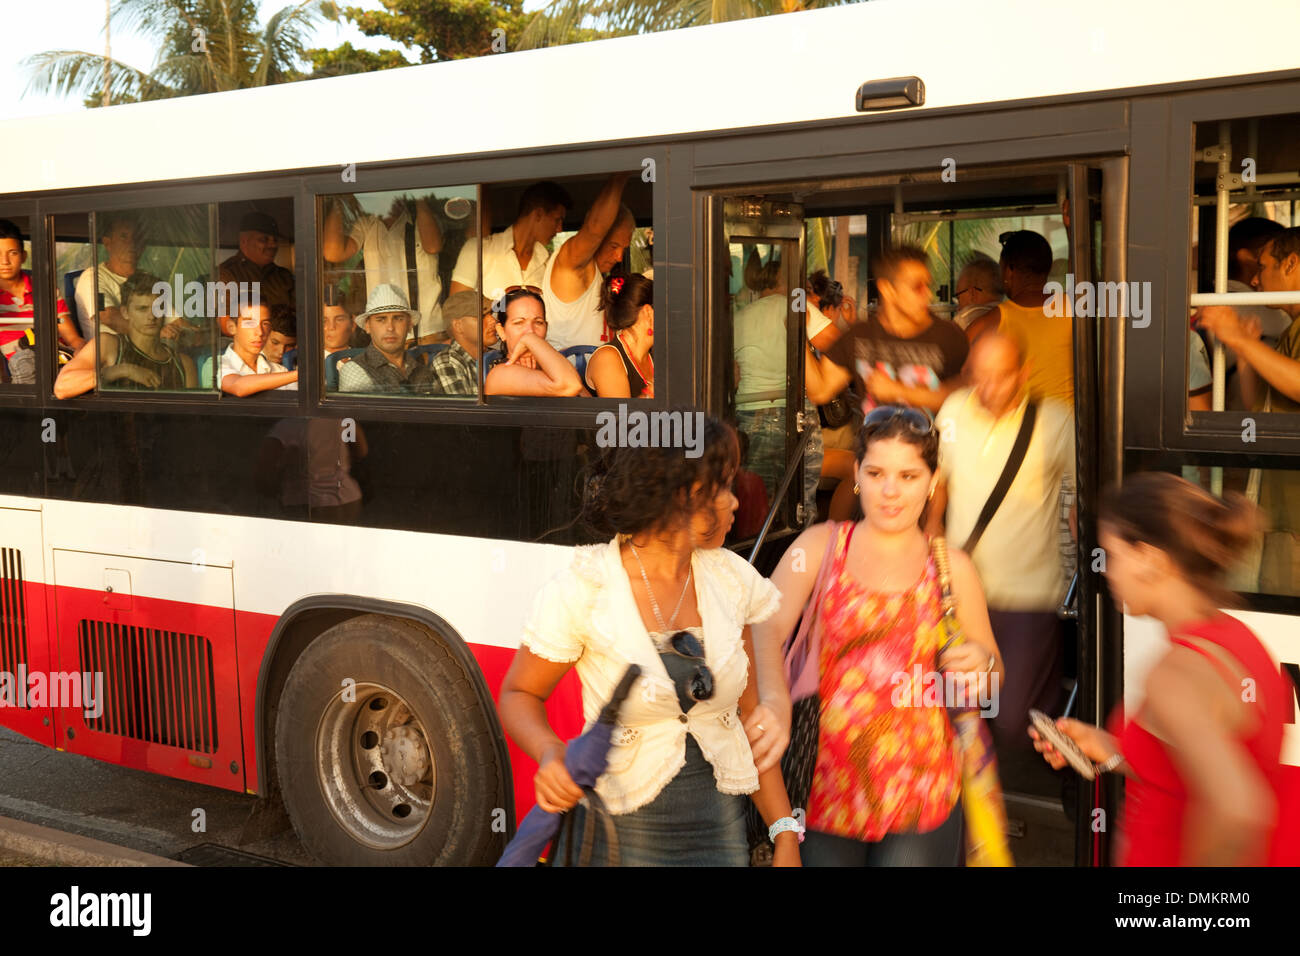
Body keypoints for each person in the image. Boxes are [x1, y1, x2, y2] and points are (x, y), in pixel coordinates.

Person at [497, 413, 801, 866]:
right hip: (619, 840)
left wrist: (784, 835)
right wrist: (549, 751)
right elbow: (519, 693)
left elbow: (751, 717)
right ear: (684, 495)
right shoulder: (587, 586)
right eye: (724, 487)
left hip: (719, 834)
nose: (736, 502)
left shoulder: (732, 581)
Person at [751, 405, 1002, 866]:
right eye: (876, 472)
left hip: (922, 792)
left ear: (933, 481)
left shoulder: (953, 568)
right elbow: (763, 627)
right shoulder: (820, 546)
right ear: (856, 474)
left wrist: (980, 664)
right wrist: (774, 696)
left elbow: (992, 676)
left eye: (909, 476)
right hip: (827, 785)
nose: (890, 491)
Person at [1032, 473, 1298, 866]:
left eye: (1113, 555)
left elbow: (1241, 808)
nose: (1106, 570)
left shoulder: (1174, 675)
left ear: (1150, 560)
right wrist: (1108, 748)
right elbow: (1193, 769)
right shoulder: (1239, 638)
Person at [926, 333, 1074, 782]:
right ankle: (967, 807)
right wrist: (931, 540)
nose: (987, 388)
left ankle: (1032, 787)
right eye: (980, 376)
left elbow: (1077, 503)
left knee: (1012, 718)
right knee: (956, 710)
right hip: (961, 591)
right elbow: (939, 485)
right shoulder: (952, 411)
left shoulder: (1057, 421)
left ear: (1024, 373)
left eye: (1001, 376)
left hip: (1029, 596)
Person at [1198, 226, 1300, 595]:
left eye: (1264, 266)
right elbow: (1262, 406)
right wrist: (1246, 353)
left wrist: (1239, 338)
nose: (1256, 279)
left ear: (1291, 264)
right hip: (1281, 504)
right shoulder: (1291, 330)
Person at [807, 244, 969, 415]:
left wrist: (899, 391)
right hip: (873, 440)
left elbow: (968, 397)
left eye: (927, 285)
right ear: (887, 289)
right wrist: (799, 332)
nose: (928, 294)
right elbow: (820, 392)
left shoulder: (950, 336)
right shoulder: (859, 336)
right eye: (917, 287)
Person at [732, 252, 824, 521]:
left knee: (756, 504)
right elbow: (840, 346)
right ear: (785, 279)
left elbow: (733, 374)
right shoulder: (796, 308)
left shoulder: (739, 317)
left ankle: (759, 561)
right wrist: (825, 383)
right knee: (801, 503)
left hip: (750, 413)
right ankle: (800, 559)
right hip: (795, 413)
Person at [322, 195, 445, 344]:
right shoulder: (366, 225)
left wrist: (419, 198)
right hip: (385, 338)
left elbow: (433, 246)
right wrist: (339, 201)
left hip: (428, 333)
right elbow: (333, 253)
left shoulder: (422, 220)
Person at [53, 271, 197, 398]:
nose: (151, 316)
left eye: (157, 308)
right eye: (142, 308)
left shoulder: (183, 364)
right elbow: (62, 387)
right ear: (125, 312)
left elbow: (193, 419)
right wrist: (121, 370)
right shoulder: (108, 344)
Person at [541, 172, 633, 350]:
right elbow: (595, 228)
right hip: (571, 374)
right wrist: (621, 175)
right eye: (613, 246)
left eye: (624, 248)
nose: (619, 257)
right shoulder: (571, 262)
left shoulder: (600, 277)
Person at [983, 230, 1074, 408]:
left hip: (1021, 427)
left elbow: (960, 365)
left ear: (1009, 270)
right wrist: (1070, 229)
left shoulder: (993, 320)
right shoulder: (1072, 306)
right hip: (1069, 426)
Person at [448, 181, 572, 298]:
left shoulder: (550, 263)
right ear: (538, 214)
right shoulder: (477, 250)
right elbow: (455, 308)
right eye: (557, 220)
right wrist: (497, 307)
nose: (559, 229)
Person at [0, 219, 82, 360]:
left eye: (12, 253)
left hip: (61, 360)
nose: (5, 261)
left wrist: (85, 353)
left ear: (23, 256)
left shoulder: (45, 289)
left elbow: (73, 339)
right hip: (23, 371)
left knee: (101, 342)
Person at [484, 287, 583, 397]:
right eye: (519, 323)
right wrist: (530, 339)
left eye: (538, 322)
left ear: (546, 328)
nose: (530, 330)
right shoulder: (499, 376)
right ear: (502, 331)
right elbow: (571, 386)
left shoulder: (555, 367)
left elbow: (588, 403)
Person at [338, 284, 436, 394]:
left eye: (398, 319)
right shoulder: (354, 370)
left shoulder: (420, 370)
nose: (390, 328)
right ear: (368, 326)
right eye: (381, 320)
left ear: (409, 325)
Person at [73, 214, 139, 340]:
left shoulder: (146, 280)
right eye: (124, 237)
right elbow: (106, 315)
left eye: (136, 238)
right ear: (108, 243)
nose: (132, 244)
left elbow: (174, 319)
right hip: (113, 356)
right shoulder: (93, 279)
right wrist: (150, 334)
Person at [585, 274, 653, 398]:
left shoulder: (655, 356)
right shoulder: (607, 358)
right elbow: (619, 416)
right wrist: (651, 393)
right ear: (648, 312)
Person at [218, 212, 295, 310]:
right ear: (244, 241)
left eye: (275, 240)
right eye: (264, 239)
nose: (273, 245)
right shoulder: (226, 274)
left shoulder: (284, 276)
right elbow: (225, 320)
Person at [219, 302, 298, 395]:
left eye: (265, 323)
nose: (260, 332)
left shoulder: (280, 370)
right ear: (232, 327)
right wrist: (300, 374)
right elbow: (238, 386)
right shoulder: (215, 364)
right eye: (250, 323)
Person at [428, 290, 497, 396]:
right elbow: (464, 411)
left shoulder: (494, 357)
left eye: (491, 313)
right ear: (458, 326)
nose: (493, 320)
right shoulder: (448, 363)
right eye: (482, 316)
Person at [953, 252, 1004, 339]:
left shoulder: (965, 319)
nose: (958, 308)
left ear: (972, 294)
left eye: (958, 297)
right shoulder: (1009, 315)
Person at [321, 284, 355, 360]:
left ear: (353, 324)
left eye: (339, 319)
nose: (331, 327)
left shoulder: (362, 361)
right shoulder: (309, 363)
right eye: (324, 321)